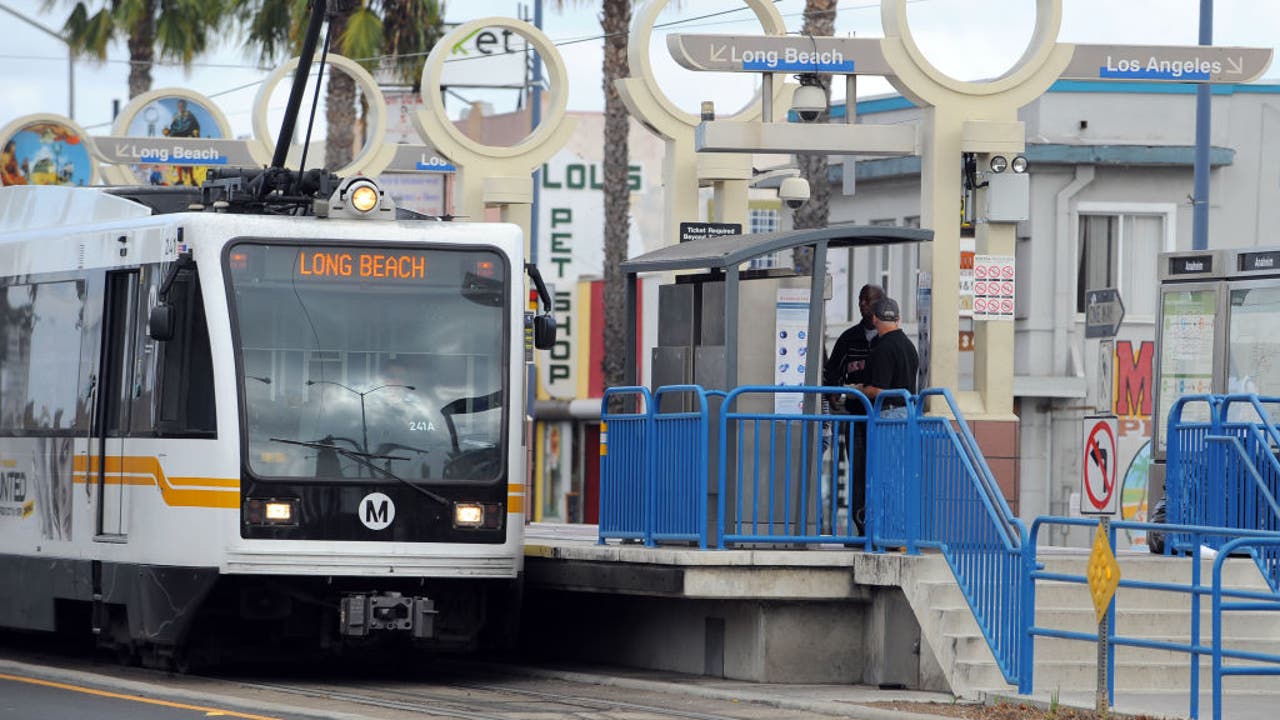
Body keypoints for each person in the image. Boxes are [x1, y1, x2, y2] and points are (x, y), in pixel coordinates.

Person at [822, 284, 883, 535]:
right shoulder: (848, 338)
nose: (862, 304)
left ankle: (880, 527)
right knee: (858, 472)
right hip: (856, 416)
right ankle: (861, 529)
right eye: (860, 299)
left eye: (868, 300)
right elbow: (831, 371)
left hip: (883, 418)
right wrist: (834, 392)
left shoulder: (888, 339)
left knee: (881, 472)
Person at [854, 297, 919, 419]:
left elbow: (879, 390)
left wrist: (858, 390)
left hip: (889, 415)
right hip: (910, 412)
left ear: (874, 319)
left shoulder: (882, 348)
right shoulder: (909, 345)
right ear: (897, 319)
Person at [163, 100, 201, 185]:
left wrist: (195, 132)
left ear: (185, 106)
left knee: (188, 160)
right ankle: (180, 179)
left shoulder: (190, 116)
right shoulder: (176, 116)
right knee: (178, 159)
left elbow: (195, 126)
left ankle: (192, 179)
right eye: (179, 105)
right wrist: (168, 132)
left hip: (187, 140)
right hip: (178, 141)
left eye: (182, 105)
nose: (181, 107)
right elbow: (173, 128)